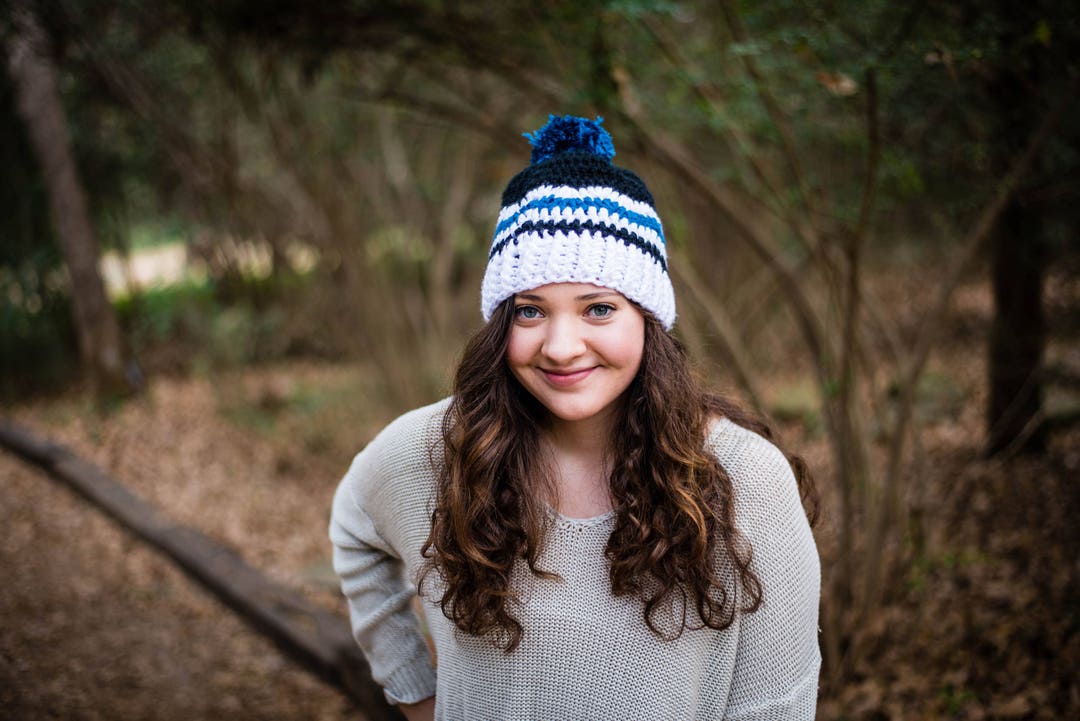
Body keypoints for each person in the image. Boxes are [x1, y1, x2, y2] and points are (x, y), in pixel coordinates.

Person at [329, 115, 821, 721]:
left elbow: (778, 701)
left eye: (597, 309)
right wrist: (416, 691)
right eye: (531, 311)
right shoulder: (439, 449)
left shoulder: (745, 480)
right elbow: (355, 521)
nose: (561, 346)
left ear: (647, 317)